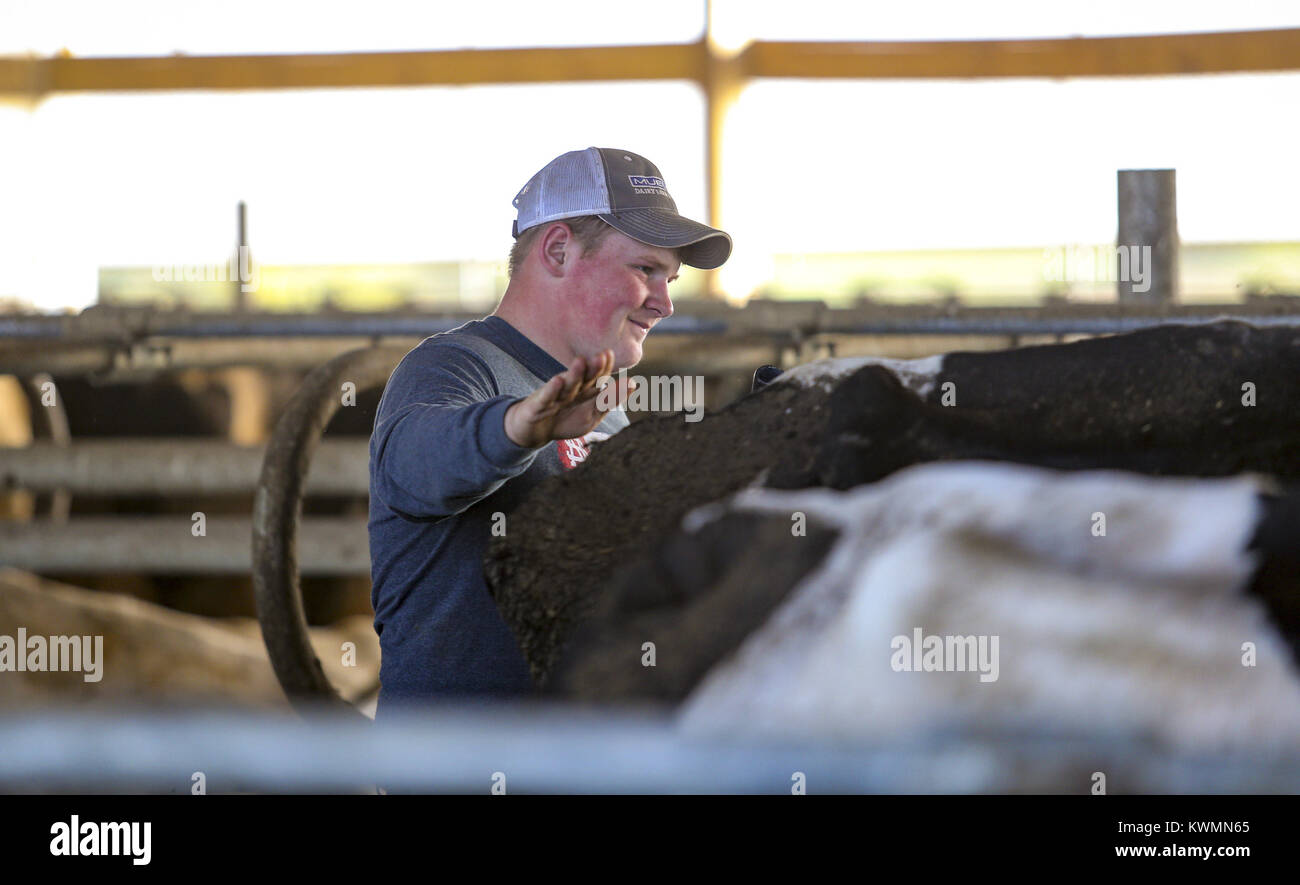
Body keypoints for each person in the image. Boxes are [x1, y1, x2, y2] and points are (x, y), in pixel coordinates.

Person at [367, 147, 732, 715]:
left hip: (574, 746)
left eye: (671, 279)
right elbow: (414, 467)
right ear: (558, 250)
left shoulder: (603, 408)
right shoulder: (452, 367)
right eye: (645, 270)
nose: (664, 304)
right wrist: (515, 427)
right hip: (456, 756)